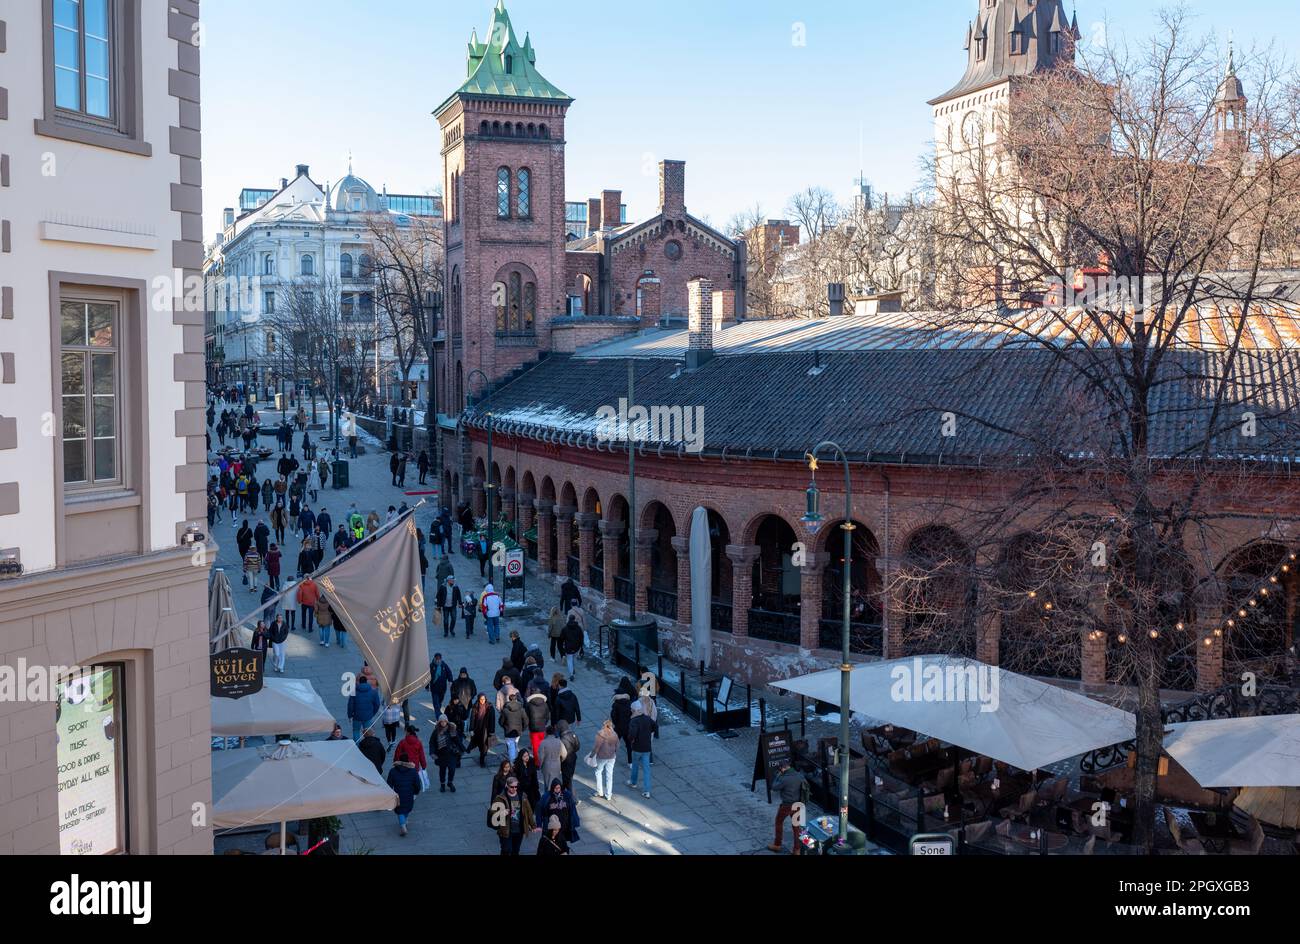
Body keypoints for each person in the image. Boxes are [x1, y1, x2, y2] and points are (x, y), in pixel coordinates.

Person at [489, 775, 535, 856]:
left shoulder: (522, 796)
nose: (514, 789)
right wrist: (502, 813)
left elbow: (528, 811)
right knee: (506, 850)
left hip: (519, 829)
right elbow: (492, 813)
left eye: (516, 786)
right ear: (507, 785)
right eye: (512, 787)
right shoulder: (500, 797)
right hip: (506, 829)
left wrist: (532, 825)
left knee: (516, 850)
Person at [769, 762, 806, 854]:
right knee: (797, 827)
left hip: (786, 805)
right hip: (797, 804)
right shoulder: (799, 775)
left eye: (780, 770)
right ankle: (797, 850)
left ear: (782, 768)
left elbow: (774, 787)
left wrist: (778, 776)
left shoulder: (784, 779)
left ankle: (777, 845)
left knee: (779, 822)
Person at [386, 745, 421, 837]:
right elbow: (417, 784)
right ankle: (404, 822)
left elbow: (389, 784)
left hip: (398, 794)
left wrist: (390, 794)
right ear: (408, 760)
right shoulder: (413, 771)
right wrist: (416, 792)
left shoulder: (393, 771)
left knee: (400, 810)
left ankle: (403, 825)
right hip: (409, 793)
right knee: (407, 808)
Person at [537, 777, 580, 846]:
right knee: (552, 843)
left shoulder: (567, 795)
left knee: (562, 843)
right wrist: (539, 824)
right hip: (552, 826)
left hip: (564, 825)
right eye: (555, 788)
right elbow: (539, 810)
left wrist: (575, 822)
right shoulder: (546, 797)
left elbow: (572, 809)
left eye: (559, 788)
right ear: (552, 788)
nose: (557, 790)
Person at [627, 700, 656, 799]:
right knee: (646, 770)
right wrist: (648, 733)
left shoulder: (634, 721)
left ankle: (633, 782)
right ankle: (647, 791)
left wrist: (631, 740)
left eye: (631, 709)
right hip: (647, 747)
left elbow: (632, 734)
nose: (630, 711)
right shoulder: (647, 719)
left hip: (637, 747)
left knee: (635, 765)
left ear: (635, 710)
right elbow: (655, 726)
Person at [431, 714, 463, 792]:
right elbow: (432, 742)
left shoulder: (451, 729)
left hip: (451, 754)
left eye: (445, 721)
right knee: (442, 771)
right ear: (439, 722)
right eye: (441, 721)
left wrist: (463, 748)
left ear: (447, 721)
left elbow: (457, 740)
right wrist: (432, 752)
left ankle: (450, 782)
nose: (443, 723)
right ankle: (442, 785)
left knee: (452, 770)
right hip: (441, 755)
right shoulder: (436, 731)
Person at [591, 719, 620, 801]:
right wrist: (614, 752)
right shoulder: (615, 734)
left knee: (598, 771)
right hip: (611, 757)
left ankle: (600, 791)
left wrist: (592, 755)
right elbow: (618, 746)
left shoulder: (600, 734)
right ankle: (608, 795)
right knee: (609, 775)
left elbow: (597, 747)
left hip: (602, 757)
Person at [347, 674, 381, 741]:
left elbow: (350, 705)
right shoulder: (373, 692)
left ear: (359, 682)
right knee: (368, 732)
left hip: (357, 716)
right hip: (368, 716)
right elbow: (377, 704)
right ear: (366, 682)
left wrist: (350, 716)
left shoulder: (354, 692)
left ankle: (357, 746)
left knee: (356, 731)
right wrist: (372, 713)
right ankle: (368, 745)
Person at [467, 693, 496, 767]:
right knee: (478, 743)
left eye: (483, 699)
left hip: (486, 729)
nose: (482, 701)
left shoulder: (489, 707)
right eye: (481, 699)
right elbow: (472, 718)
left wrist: (492, 730)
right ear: (478, 699)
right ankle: (470, 749)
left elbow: (492, 719)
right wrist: (471, 729)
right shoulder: (475, 707)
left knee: (484, 745)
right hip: (477, 729)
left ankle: (482, 760)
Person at [498, 689, 527, 763]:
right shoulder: (521, 709)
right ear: (516, 699)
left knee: (511, 747)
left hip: (508, 731)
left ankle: (513, 762)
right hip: (518, 731)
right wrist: (523, 728)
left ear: (509, 699)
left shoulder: (505, 710)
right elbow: (526, 720)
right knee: (515, 744)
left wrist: (504, 727)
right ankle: (516, 759)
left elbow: (501, 721)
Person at [525, 687, 550, 760]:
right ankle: (542, 759)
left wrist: (528, 725)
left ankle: (537, 762)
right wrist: (544, 723)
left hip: (533, 728)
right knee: (542, 744)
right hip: (542, 727)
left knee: (535, 746)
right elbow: (547, 716)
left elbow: (526, 716)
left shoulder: (529, 705)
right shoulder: (545, 704)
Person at [557, 719, 581, 792]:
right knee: (570, 776)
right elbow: (578, 746)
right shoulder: (573, 734)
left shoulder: (561, 739)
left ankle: (571, 797)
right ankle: (564, 790)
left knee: (567, 779)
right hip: (573, 757)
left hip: (566, 761)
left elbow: (561, 754)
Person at [560, 612, 584, 678]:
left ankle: (571, 674)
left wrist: (562, 646)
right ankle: (573, 670)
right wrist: (581, 646)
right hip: (576, 647)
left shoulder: (565, 628)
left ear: (569, 619)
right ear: (574, 619)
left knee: (569, 660)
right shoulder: (578, 628)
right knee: (574, 659)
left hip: (568, 647)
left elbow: (561, 638)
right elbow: (581, 637)